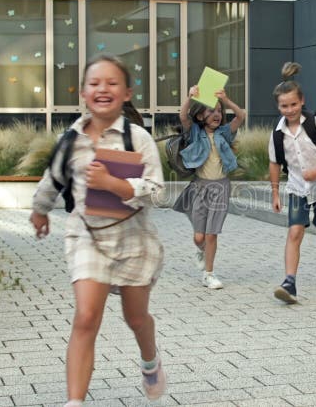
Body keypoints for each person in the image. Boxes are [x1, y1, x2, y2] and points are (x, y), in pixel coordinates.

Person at [29, 54, 167, 406]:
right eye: (94, 83)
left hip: (132, 237)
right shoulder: (70, 141)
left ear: (126, 93)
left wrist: (113, 184)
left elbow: (157, 192)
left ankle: (150, 361)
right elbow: (53, 178)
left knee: (136, 318)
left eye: (111, 83)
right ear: (83, 92)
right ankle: (75, 401)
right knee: (87, 315)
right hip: (86, 236)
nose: (102, 89)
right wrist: (40, 210)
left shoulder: (138, 139)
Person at [268, 62, 316, 304]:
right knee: (295, 231)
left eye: (293, 104)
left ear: (302, 101)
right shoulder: (277, 133)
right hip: (297, 188)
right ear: (278, 106)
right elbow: (274, 163)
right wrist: (275, 193)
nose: (289, 110)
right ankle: (289, 282)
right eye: (284, 106)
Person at [173, 85, 245, 289]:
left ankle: (209, 274)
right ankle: (201, 250)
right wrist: (189, 97)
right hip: (199, 188)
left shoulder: (224, 133)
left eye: (219, 111)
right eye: (211, 110)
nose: (217, 114)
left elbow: (240, 116)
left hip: (221, 187)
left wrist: (227, 101)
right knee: (199, 237)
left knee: (212, 233)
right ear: (200, 116)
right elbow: (183, 116)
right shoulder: (195, 132)